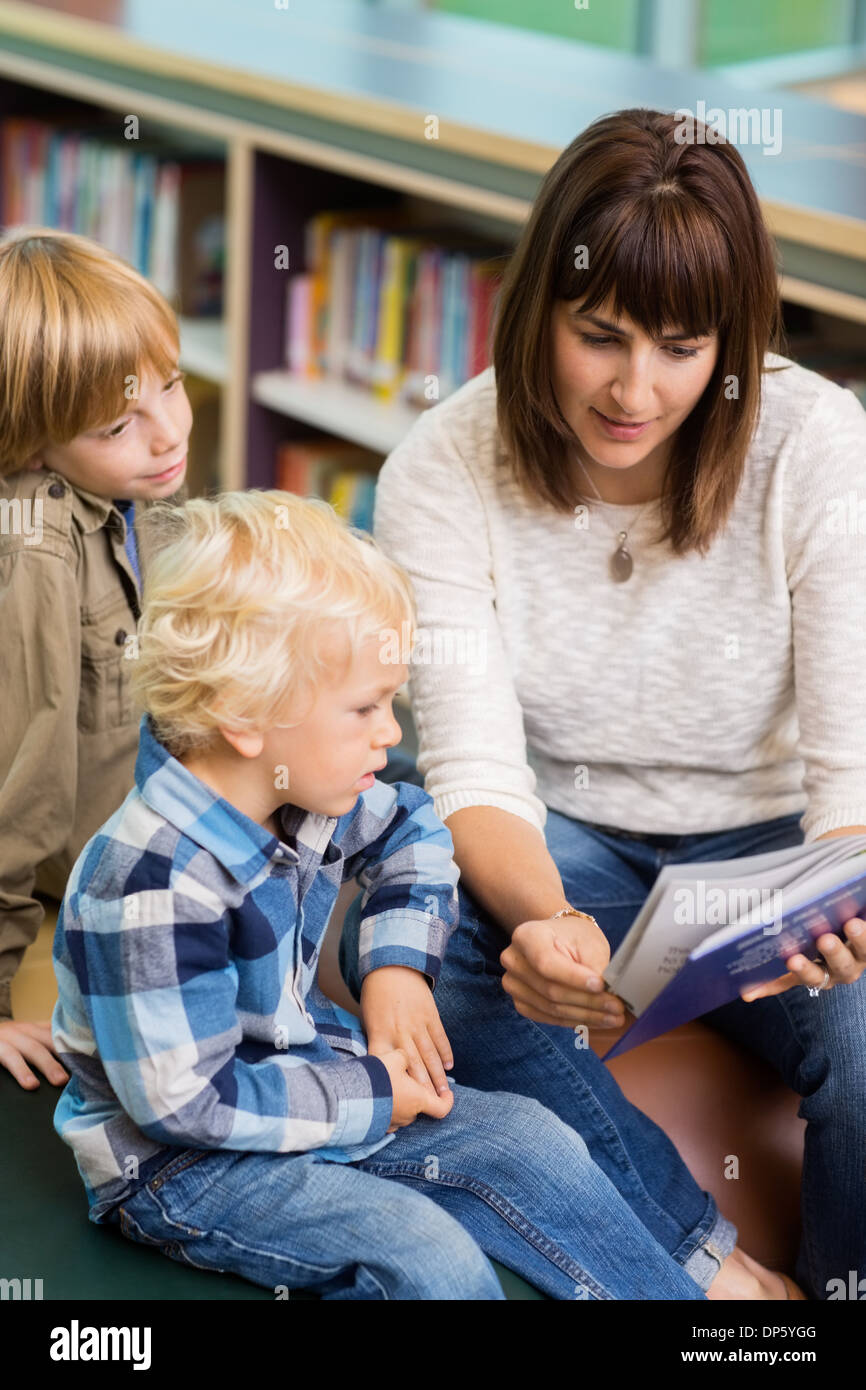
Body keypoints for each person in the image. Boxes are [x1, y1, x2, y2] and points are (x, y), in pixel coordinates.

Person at [52, 489, 790, 1299]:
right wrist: (371, 1092)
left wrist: (396, 970)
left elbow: (414, 827)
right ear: (243, 715)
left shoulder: (293, 792)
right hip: (182, 1165)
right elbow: (183, 1104)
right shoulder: (150, 881)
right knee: (428, 1258)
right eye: (365, 707)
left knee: (531, 1137)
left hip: (310, 1083)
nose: (391, 732)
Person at [368, 106, 866, 1301]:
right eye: (598, 335)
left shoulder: (813, 443)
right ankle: (708, 1266)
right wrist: (537, 916)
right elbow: (476, 775)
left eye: (682, 347)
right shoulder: (441, 467)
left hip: (768, 851)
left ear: (732, 342)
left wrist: (840, 899)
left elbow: (847, 784)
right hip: (561, 834)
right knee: (420, 940)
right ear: (536, 301)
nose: (634, 389)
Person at [0, 228, 191, 1090]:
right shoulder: (35, 555)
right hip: (66, 909)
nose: (168, 433)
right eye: (121, 422)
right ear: (30, 446)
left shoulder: (124, 490)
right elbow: (18, 785)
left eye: (174, 385)